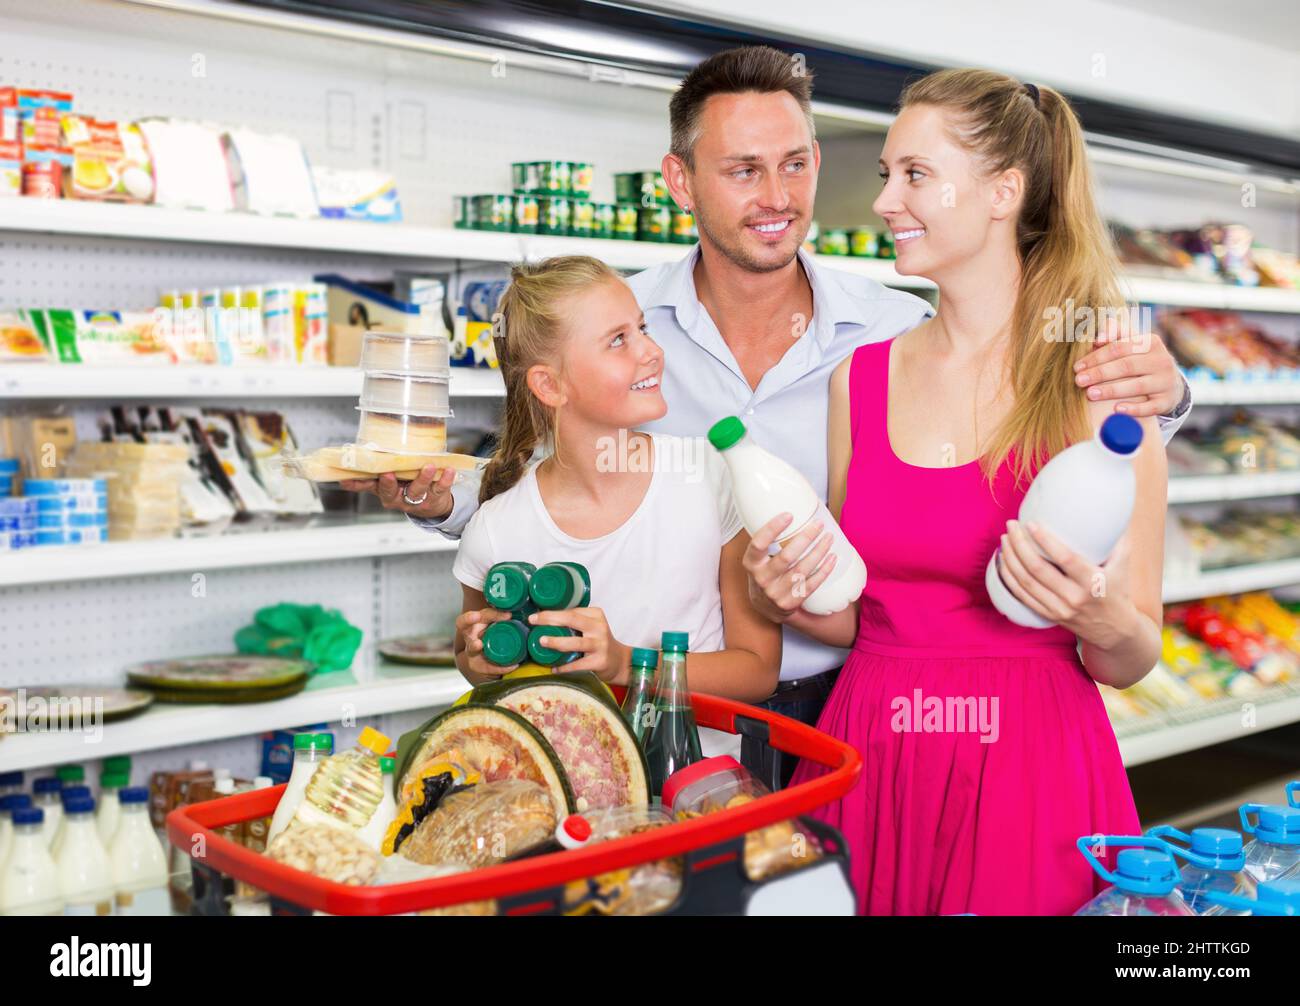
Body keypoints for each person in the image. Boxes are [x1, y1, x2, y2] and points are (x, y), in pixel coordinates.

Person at [342, 46, 1190, 792]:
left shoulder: (892, 328)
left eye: (795, 165)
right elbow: (545, 477)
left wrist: (1164, 393)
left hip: (848, 703)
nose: (777, 196)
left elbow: (1056, 444)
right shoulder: (616, 325)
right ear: (681, 181)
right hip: (674, 708)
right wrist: (442, 499)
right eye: (744, 170)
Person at [744, 69, 1167, 916]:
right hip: (869, 745)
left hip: (1030, 759)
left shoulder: (1102, 385)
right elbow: (864, 610)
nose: (887, 201)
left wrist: (1098, 616)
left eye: (916, 176)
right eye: (886, 175)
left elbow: (1130, 657)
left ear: (1005, 191)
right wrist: (788, 594)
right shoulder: (862, 379)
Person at [451, 256, 781, 720]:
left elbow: (757, 670)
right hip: (565, 786)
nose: (651, 351)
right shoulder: (496, 528)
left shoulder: (709, 476)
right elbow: (470, 664)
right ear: (550, 384)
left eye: (643, 329)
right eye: (618, 340)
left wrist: (626, 663)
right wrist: (483, 660)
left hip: (696, 782)